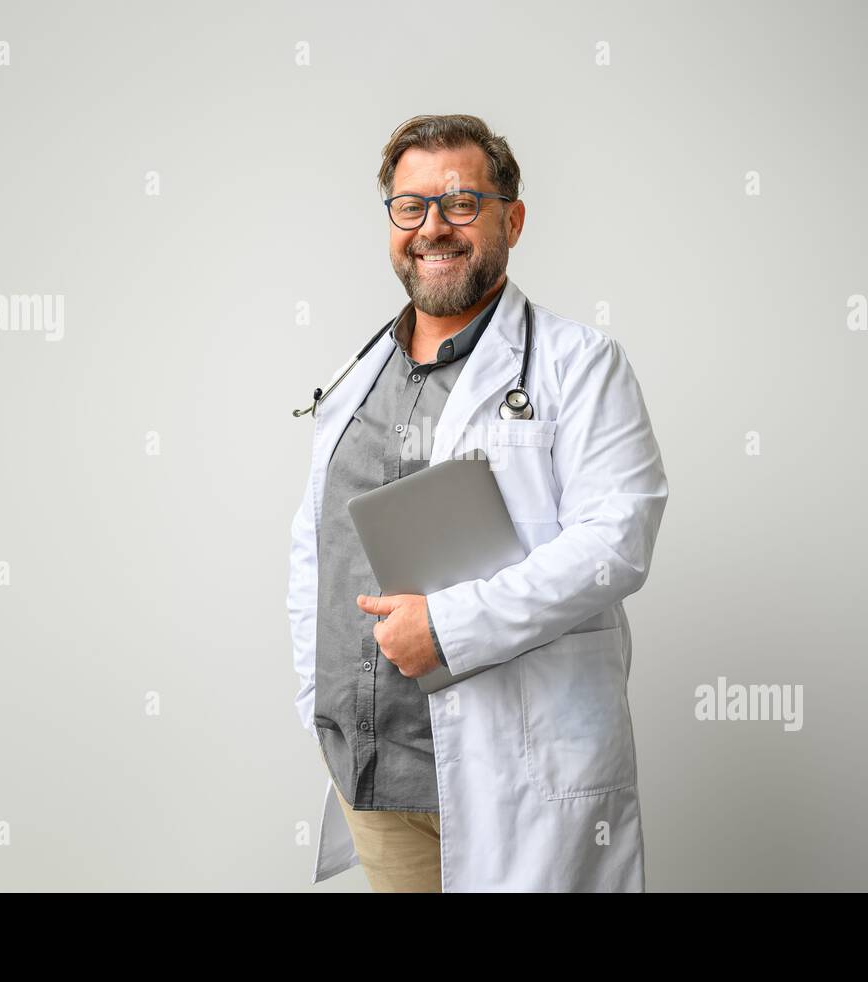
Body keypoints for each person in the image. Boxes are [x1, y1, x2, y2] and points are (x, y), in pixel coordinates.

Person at [287, 113, 668, 891]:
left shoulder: (579, 364)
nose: (434, 227)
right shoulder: (355, 377)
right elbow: (315, 548)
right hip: (375, 774)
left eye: (461, 203)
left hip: (515, 772)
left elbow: (616, 539)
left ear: (511, 219)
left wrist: (449, 630)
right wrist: (316, 706)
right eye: (411, 206)